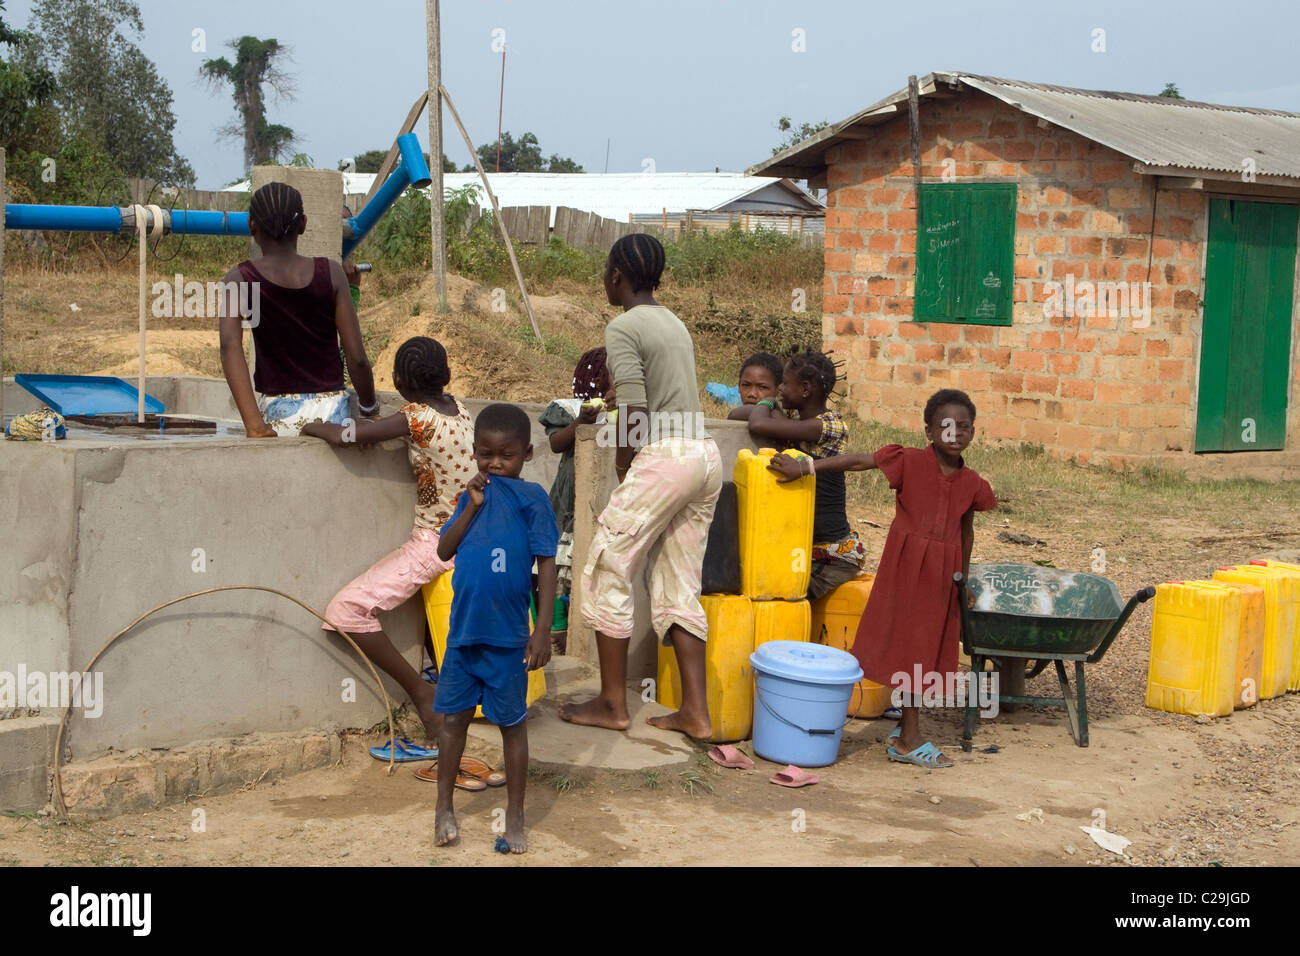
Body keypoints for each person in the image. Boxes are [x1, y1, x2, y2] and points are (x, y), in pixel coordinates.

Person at [770, 388, 996, 768]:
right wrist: (806, 467)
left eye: (964, 426)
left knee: (924, 649)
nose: (954, 432)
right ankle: (908, 738)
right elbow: (859, 461)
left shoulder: (972, 483)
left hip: (943, 577)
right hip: (906, 570)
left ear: (973, 432)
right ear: (928, 431)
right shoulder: (908, 461)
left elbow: (966, 531)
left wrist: (964, 581)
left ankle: (904, 730)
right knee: (909, 647)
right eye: (945, 425)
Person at [560, 234, 722, 738]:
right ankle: (695, 713)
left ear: (616, 276)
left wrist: (626, 463)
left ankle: (612, 703)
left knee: (609, 562)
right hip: (704, 456)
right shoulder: (674, 322)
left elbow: (632, 405)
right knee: (678, 581)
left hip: (666, 457)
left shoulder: (623, 325)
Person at [301, 337, 474, 748]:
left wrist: (312, 426)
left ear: (397, 380)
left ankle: (421, 694)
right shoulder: (460, 409)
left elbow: (353, 435)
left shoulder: (415, 417)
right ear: (446, 376)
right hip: (469, 538)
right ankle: (439, 683)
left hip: (435, 544)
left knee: (346, 609)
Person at [431, 403, 558, 853]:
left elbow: (547, 566)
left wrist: (541, 630)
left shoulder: (533, 500)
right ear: (474, 451)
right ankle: (443, 806)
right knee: (453, 722)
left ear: (525, 453)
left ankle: (517, 815)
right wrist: (471, 506)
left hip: (508, 640)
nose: (495, 464)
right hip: (464, 633)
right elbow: (445, 550)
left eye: (505, 455)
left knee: (512, 727)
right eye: (485, 454)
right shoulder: (471, 495)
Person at [219, 182, 378, 438]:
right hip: (334, 413)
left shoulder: (238, 279)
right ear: (302, 224)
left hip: (279, 413)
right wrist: (370, 409)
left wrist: (255, 425)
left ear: (251, 224)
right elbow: (356, 357)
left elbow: (229, 346)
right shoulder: (332, 273)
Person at [747, 351, 866, 599]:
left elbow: (757, 423)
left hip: (831, 556)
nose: (779, 388)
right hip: (803, 548)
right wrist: (766, 408)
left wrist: (766, 403)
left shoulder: (829, 426)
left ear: (804, 388)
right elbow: (740, 416)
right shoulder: (795, 420)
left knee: (785, 598)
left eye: (785, 383)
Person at [538, 348, 615, 651]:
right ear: (596, 378)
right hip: (570, 498)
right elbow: (557, 443)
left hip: (605, 500)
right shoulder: (571, 409)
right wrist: (582, 422)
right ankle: (556, 630)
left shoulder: (627, 410)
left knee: (588, 567)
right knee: (561, 567)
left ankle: (577, 627)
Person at [726, 352, 784, 421]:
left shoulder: (779, 419)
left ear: (778, 391)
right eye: (746, 385)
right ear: (739, 386)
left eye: (762, 387)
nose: (752, 394)